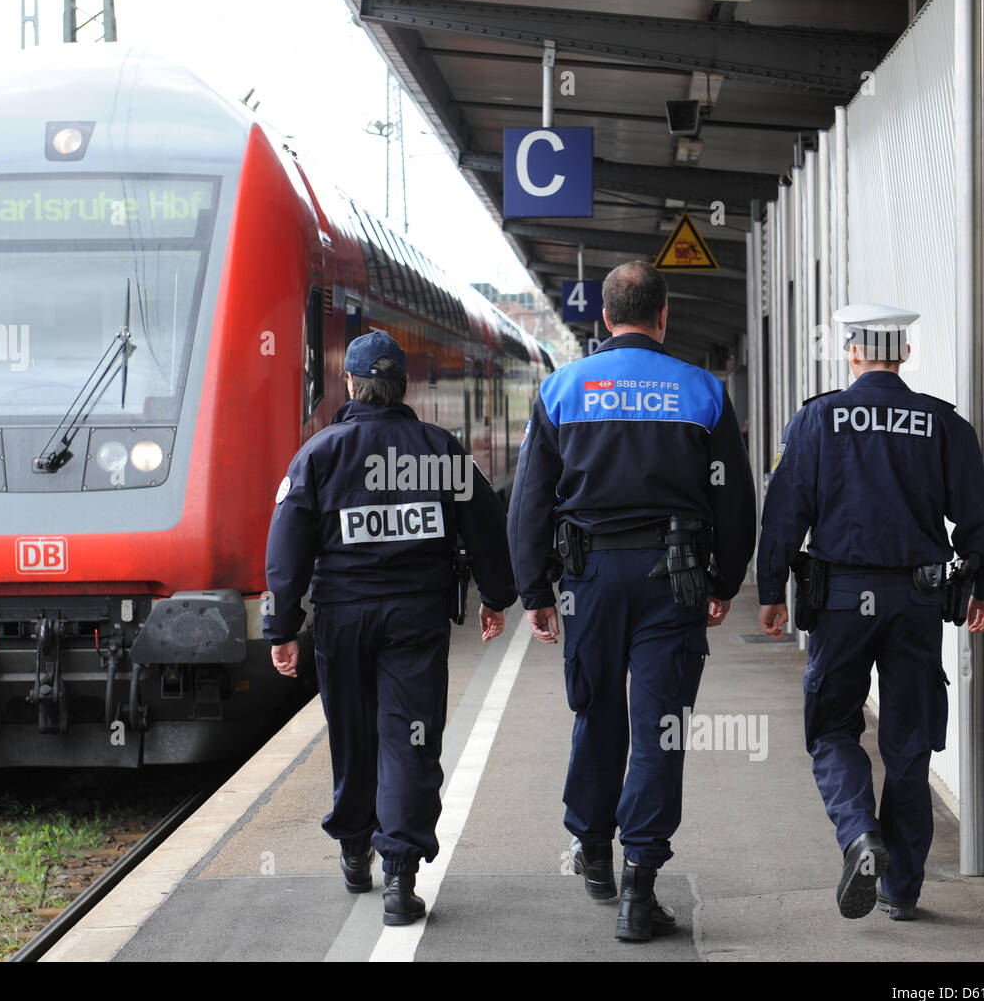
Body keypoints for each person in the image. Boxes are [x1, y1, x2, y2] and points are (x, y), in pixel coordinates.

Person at [508, 260, 756, 942]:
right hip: (670, 582)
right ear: (664, 315)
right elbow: (734, 499)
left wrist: (535, 589)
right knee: (659, 729)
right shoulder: (702, 391)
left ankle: (592, 847)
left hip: (588, 583)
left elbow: (530, 498)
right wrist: (726, 580)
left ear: (607, 318)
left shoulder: (562, 390)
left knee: (596, 713)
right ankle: (639, 888)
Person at [756, 303, 984, 922]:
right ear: (905, 353)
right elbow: (979, 514)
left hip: (838, 602)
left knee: (835, 727)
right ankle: (902, 889)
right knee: (910, 743)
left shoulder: (817, 419)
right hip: (916, 602)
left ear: (853, 352)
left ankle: (860, 834)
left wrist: (768, 591)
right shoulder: (943, 425)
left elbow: (785, 512)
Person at [264, 330, 517, 927]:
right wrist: (499, 598)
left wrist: (280, 627)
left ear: (350, 383)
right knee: (411, 740)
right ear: (405, 385)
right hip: (416, 620)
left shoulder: (319, 454)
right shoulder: (441, 451)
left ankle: (355, 850)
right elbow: (486, 526)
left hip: (341, 619)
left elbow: (286, 548)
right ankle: (400, 878)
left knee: (352, 734)